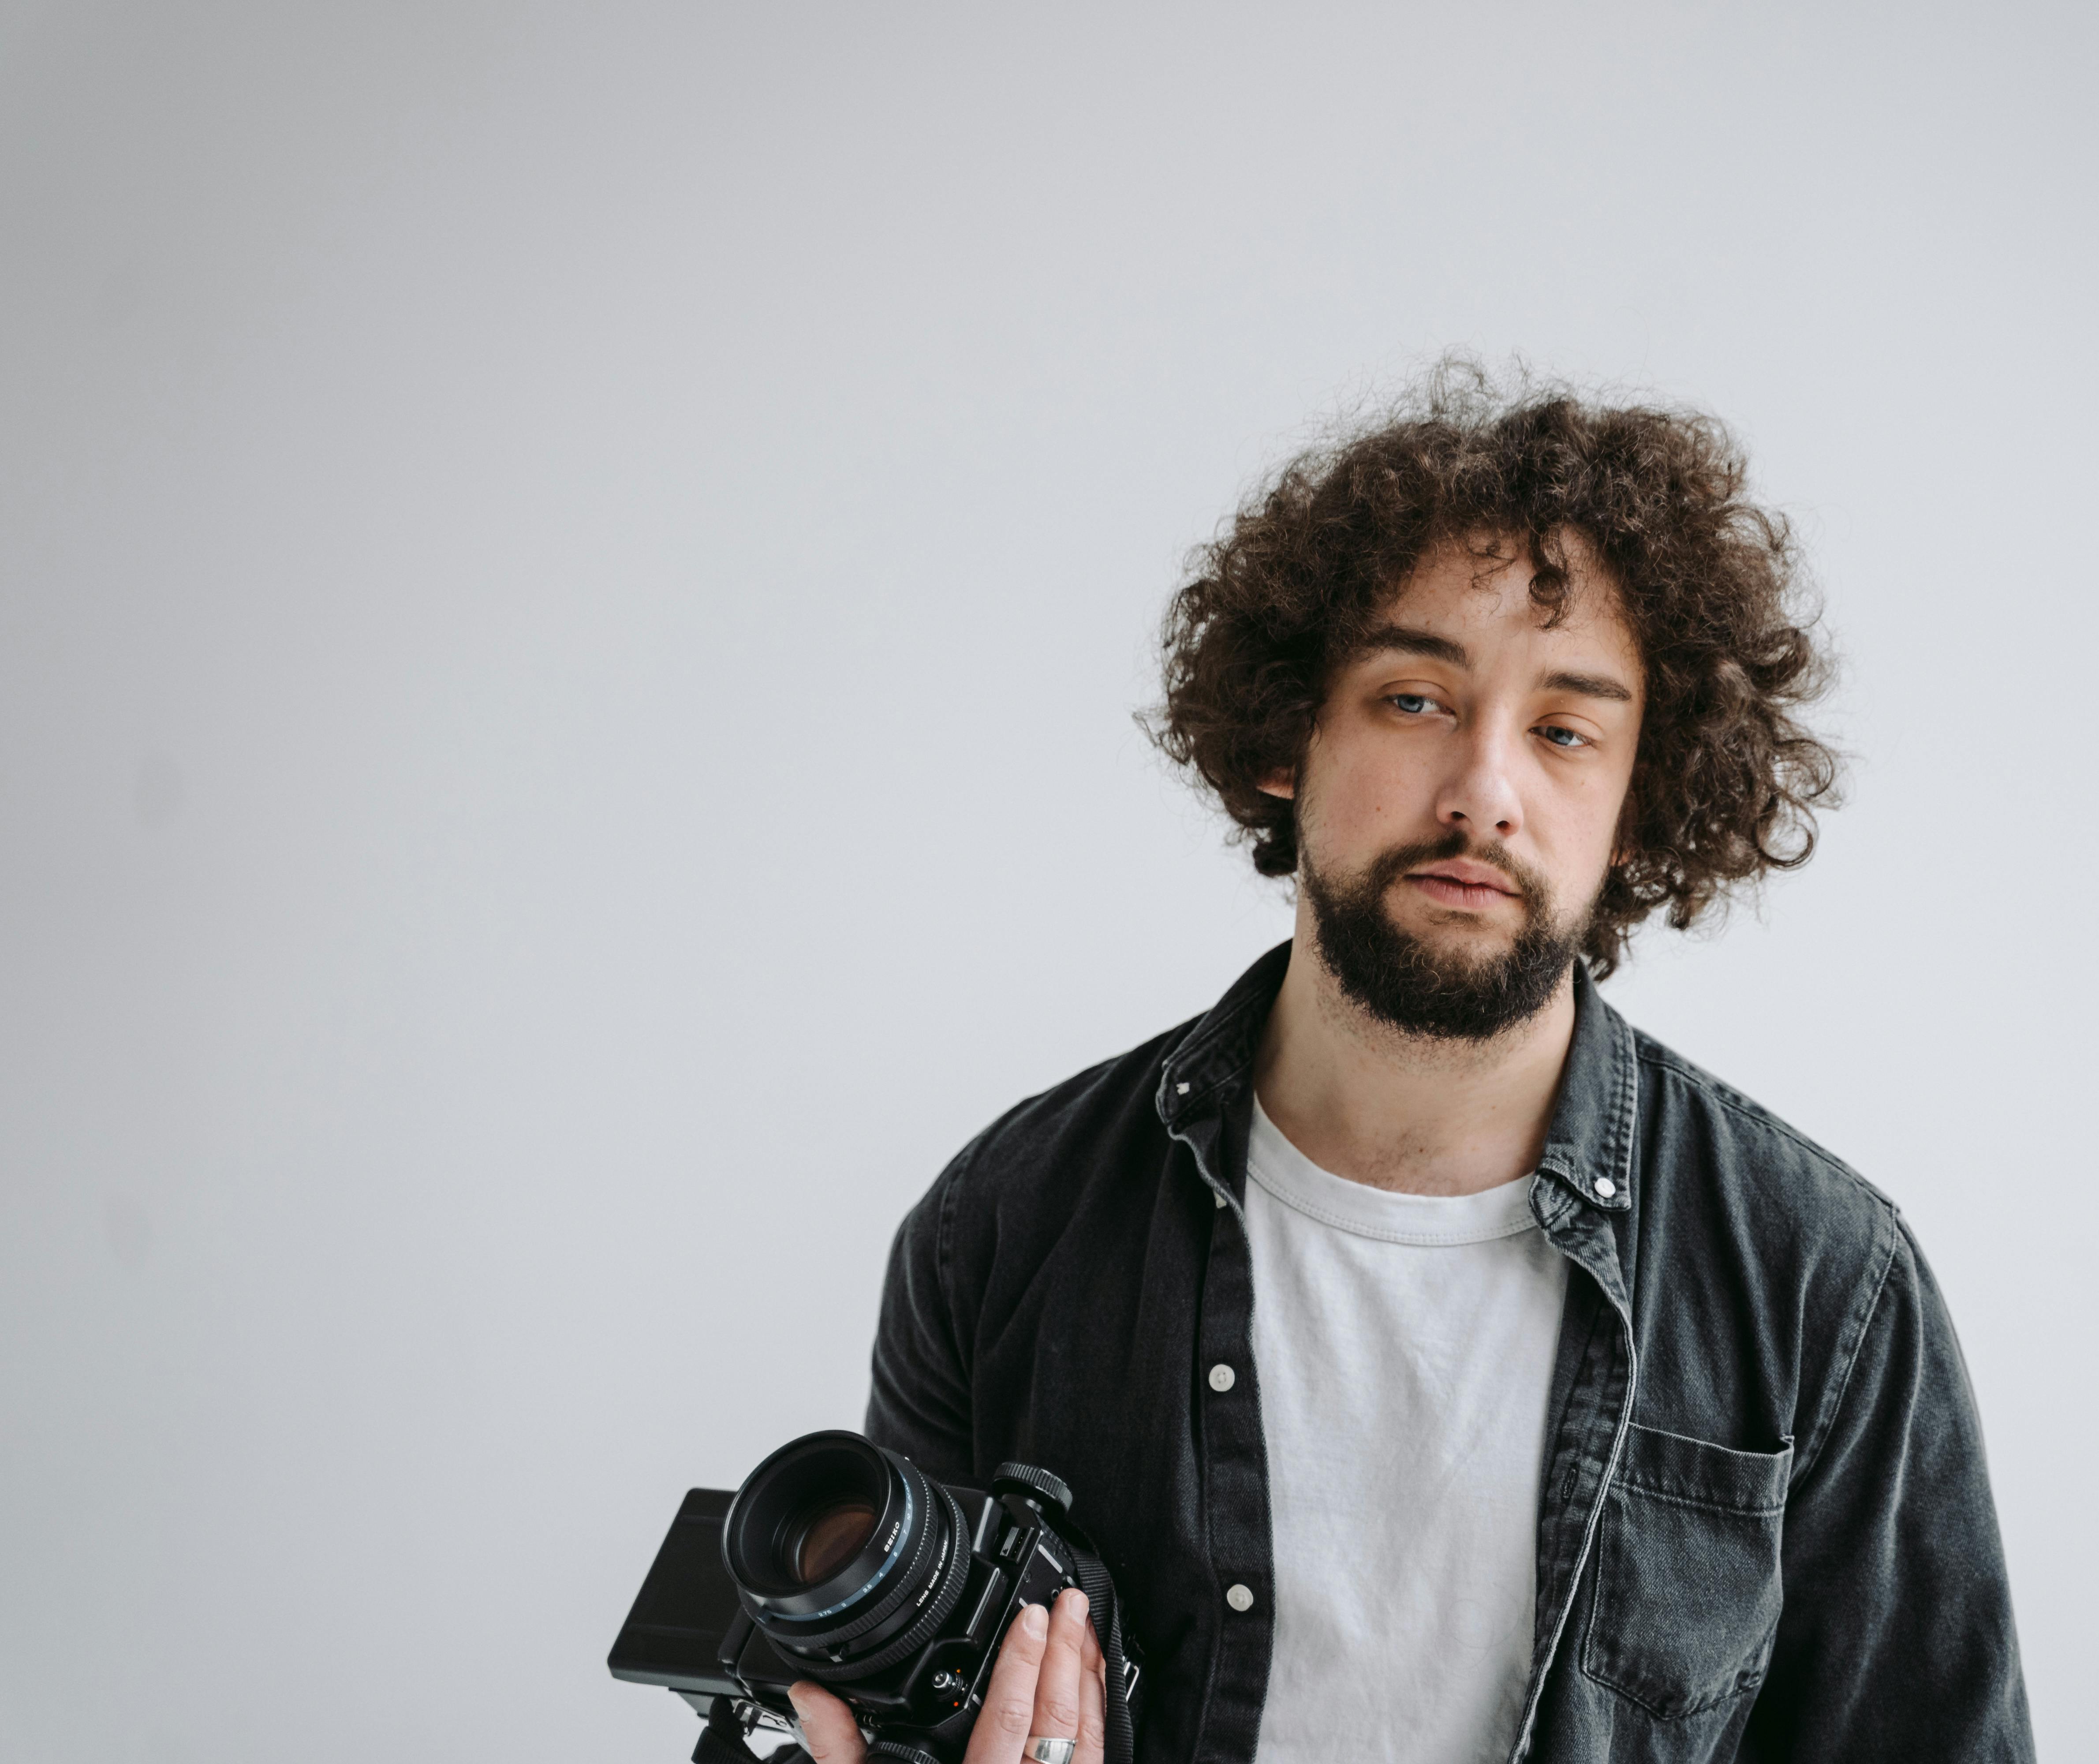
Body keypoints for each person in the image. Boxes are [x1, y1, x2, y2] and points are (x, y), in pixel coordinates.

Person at [791, 371, 2034, 1764]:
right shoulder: (1004, 1226)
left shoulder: (1822, 1283)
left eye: (1566, 731)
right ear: (1285, 738)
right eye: (1415, 700)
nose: (1484, 791)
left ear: (1640, 808)